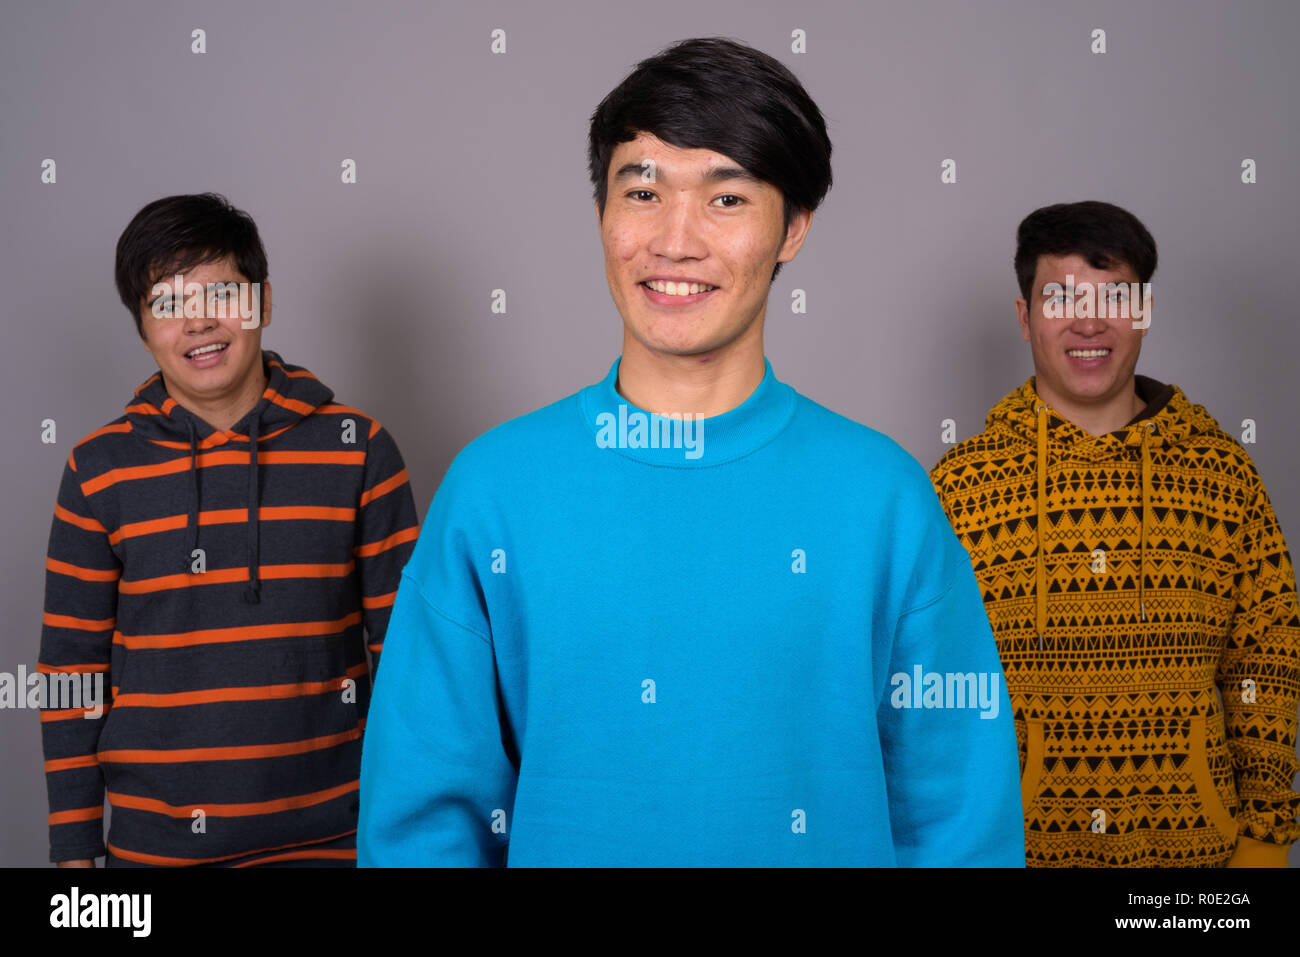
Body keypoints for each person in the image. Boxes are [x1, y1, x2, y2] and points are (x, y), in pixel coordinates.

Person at [359, 36, 1024, 866]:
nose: (675, 240)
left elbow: (961, 818)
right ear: (602, 211)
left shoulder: (883, 496)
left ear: (794, 229)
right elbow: (424, 824)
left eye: (727, 199)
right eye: (642, 190)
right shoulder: (491, 492)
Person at [39, 193, 418, 866]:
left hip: (336, 842)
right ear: (142, 326)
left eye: (219, 295)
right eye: (167, 304)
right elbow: (71, 674)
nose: (197, 324)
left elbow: (408, 659)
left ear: (263, 303)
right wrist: (73, 854)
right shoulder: (98, 473)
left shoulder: (359, 449)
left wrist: (404, 829)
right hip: (154, 852)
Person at [930, 200, 1300, 867]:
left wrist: (1265, 841)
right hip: (1015, 856)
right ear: (1024, 318)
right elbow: (925, 690)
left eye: (1116, 297)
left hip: (1195, 874)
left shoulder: (1223, 474)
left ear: (1145, 313)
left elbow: (1267, 661)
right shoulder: (961, 488)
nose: (1089, 321)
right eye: (1061, 296)